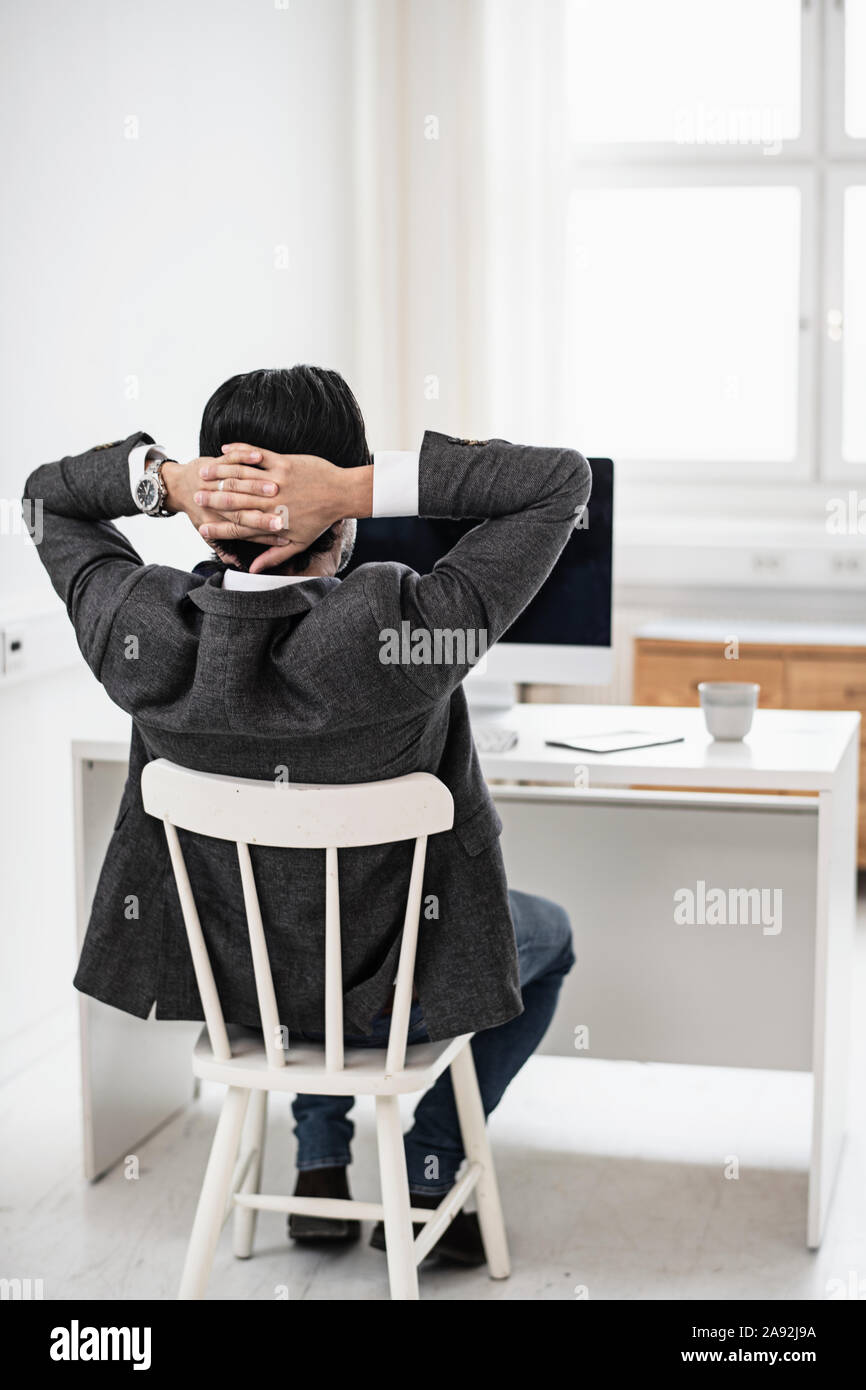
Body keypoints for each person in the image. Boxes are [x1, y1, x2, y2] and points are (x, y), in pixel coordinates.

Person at [23, 365, 591, 1267]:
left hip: (244, 995)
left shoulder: (140, 627)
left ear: (211, 507)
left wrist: (167, 481)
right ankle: (434, 1164)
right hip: (385, 998)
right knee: (548, 936)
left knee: (297, 925)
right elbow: (560, 481)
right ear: (345, 514)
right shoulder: (409, 628)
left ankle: (320, 1166)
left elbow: (47, 500)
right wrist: (355, 485)